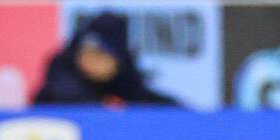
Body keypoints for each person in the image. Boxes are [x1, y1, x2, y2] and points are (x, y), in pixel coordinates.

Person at [34, 11, 177, 105]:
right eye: (85, 52)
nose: (91, 59)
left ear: (118, 60)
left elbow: (144, 100)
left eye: (101, 54)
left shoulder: (125, 82)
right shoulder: (60, 83)